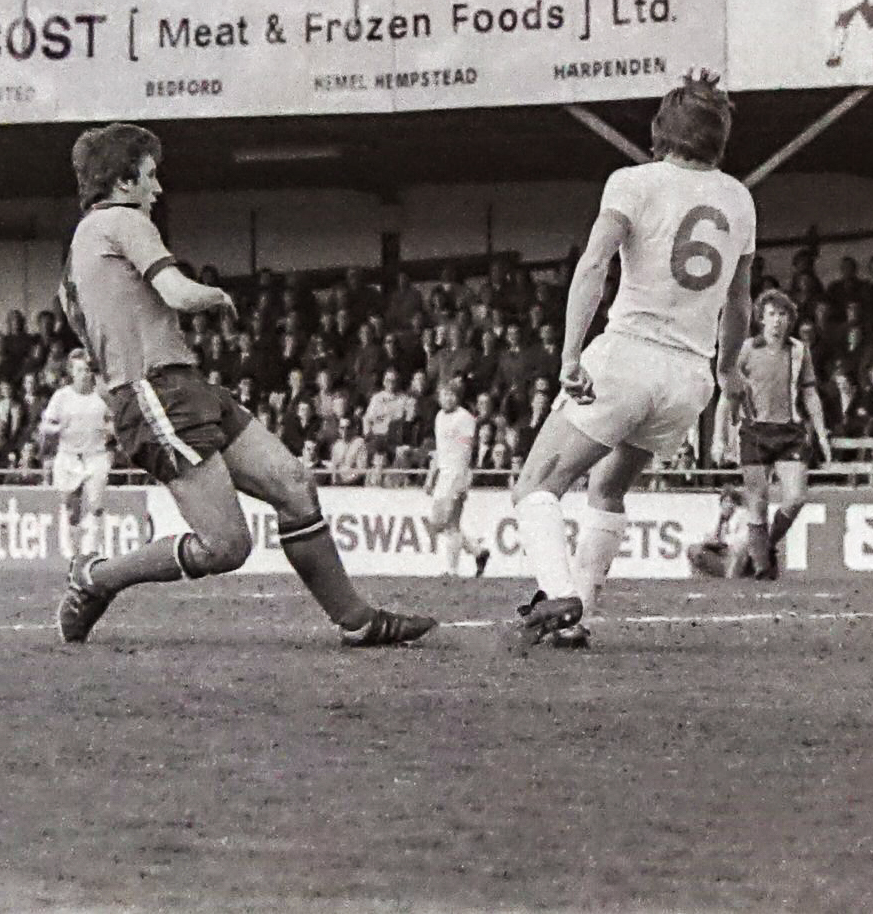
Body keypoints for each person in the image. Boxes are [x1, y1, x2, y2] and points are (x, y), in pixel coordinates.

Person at [51, 123, 434, 648]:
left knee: (293, 484)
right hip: (156, 393)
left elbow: (84, 322)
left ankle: (358, 620)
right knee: (226, 546)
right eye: (150, 177)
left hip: (178, 386)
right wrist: (215, 295)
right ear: (121, 182)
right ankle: (94, 577)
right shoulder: (122, 220)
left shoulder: (76, 252)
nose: (157, 190)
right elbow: (177, 292)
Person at [502, 73, 756, 654]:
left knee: (536, 484)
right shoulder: (739, 198)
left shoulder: (633, 182)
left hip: (629, 356)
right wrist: (727, 372)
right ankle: (577, 615)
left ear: (661, 132)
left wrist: (569, 355)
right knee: (609, 488)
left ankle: (558, 595)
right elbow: (738, 300)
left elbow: (593, 266)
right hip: (689, 378)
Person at [721, 288, 831, 579]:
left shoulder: (798, 350)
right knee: (757, 499)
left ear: (790, 319)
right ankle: (761, 568)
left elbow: (809, 394)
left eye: (782, 314)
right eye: (771, 314)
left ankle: (765, 546)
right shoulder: (747, 350)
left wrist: (821, 433)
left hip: (789, 432)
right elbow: (728, 393)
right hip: (754, 432)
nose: (777, 320)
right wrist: (721, 437)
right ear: (761, 318)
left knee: (795, 497)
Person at [39, 349, 113, 557]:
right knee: (72, 511)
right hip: (69, 457)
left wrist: (110, 429)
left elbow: (114, 419)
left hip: (96, 455)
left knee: (96, 507)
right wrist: (60, 428)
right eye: (80, 370)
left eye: (87, 370)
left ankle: (91, 555)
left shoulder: (102, 396)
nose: (84, 374)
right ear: (72, 372)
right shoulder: (62, 397)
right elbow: (46, 427)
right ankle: (73, 555)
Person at [422, 380, 490, 579]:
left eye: (452, 394)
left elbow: (466, 451)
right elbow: (439, 451)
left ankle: (451, 571)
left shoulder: (465, 418)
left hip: (457, 474)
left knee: (450, 523)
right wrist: (430, 477)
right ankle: (478, 551)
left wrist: (462, 481)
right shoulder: (439, 417)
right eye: (445, 394)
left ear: (457, 397)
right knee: (438, 522)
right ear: (439, 397)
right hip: (443, 475)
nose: (448, 398)